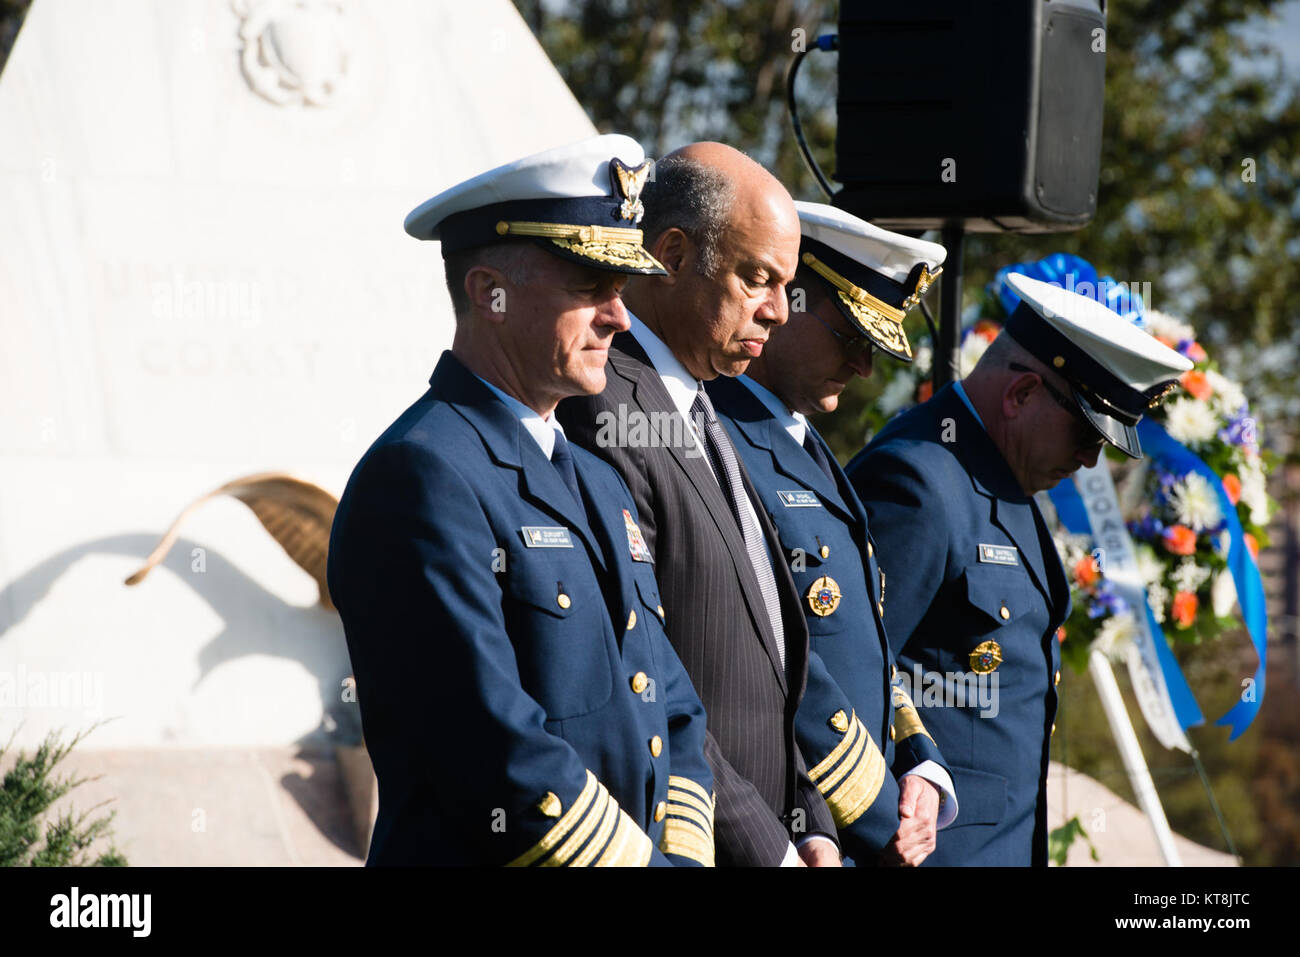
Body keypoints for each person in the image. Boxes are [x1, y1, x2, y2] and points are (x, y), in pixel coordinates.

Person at [327, 134, 715, 867]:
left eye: (620, 288)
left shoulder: (595, 477)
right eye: (588, 287)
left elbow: (674, 705)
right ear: (488, 292)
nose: (619, 317)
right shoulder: (421, 476)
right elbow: (494, 750)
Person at [845, 272, 1193, 865]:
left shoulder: (996, 475)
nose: (1088, 460)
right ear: (1022, 394)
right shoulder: (920, 480)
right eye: (1087, 431)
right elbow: (847, 674)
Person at [557, 143, 840, 866]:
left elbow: (772, 663)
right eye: (757, 279)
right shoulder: (608, 408)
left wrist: (809, 819)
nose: (779, 310)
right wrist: (764, 845)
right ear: (675, 255)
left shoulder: (700, 406)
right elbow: (651, 668)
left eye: (786, 285)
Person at [705, 201, 956, 865]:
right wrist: (878, 811)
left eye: (874, 347)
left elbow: (863, 639)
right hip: (783, 829)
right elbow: (773, 656)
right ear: (787, 298)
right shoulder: (718, 442)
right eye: (851, 338)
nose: (865, 368)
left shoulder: (804, 442)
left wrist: (919, 762)